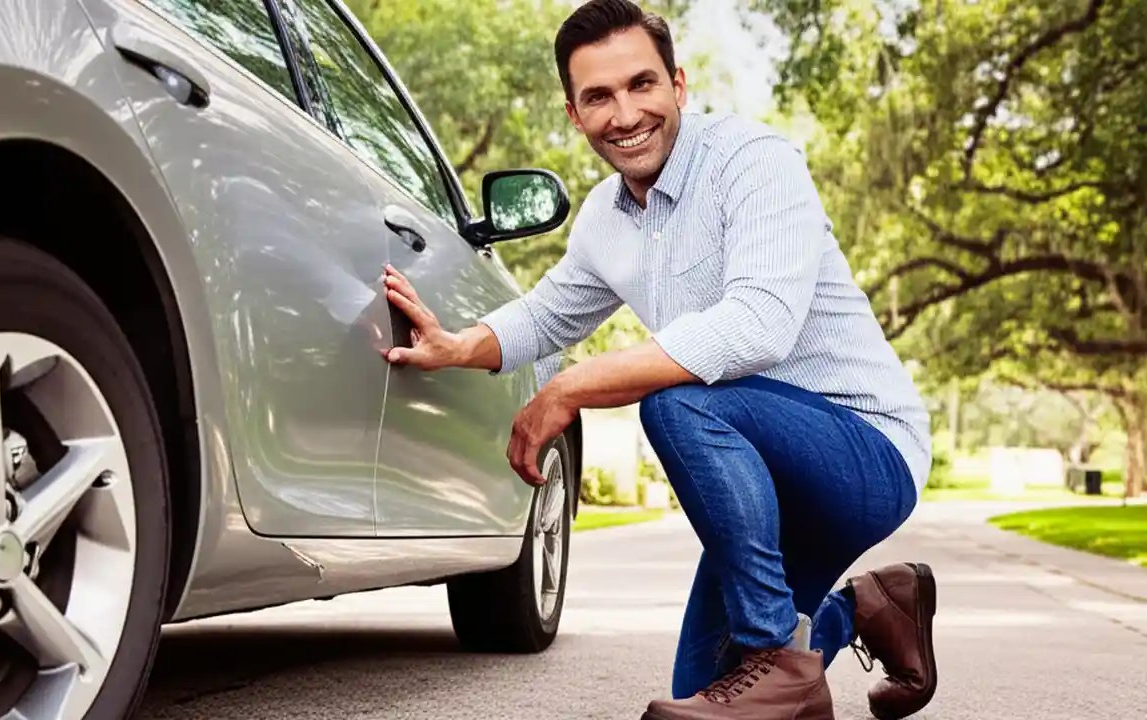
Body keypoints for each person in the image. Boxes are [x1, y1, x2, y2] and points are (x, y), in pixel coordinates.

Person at [381, 1, 936, 717]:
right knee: (702, 693)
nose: (625, 114)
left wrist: (572, 387)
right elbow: (547, 314)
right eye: (598, 97)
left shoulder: (752, 162)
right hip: (763, 483)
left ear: (677, 84)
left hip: (863, 454)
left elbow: (759, 326)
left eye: (641, 84)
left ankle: (775, 652)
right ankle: (873, 606)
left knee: (677, 403)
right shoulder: (605, 219)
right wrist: (458, 346)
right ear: (575, 114)